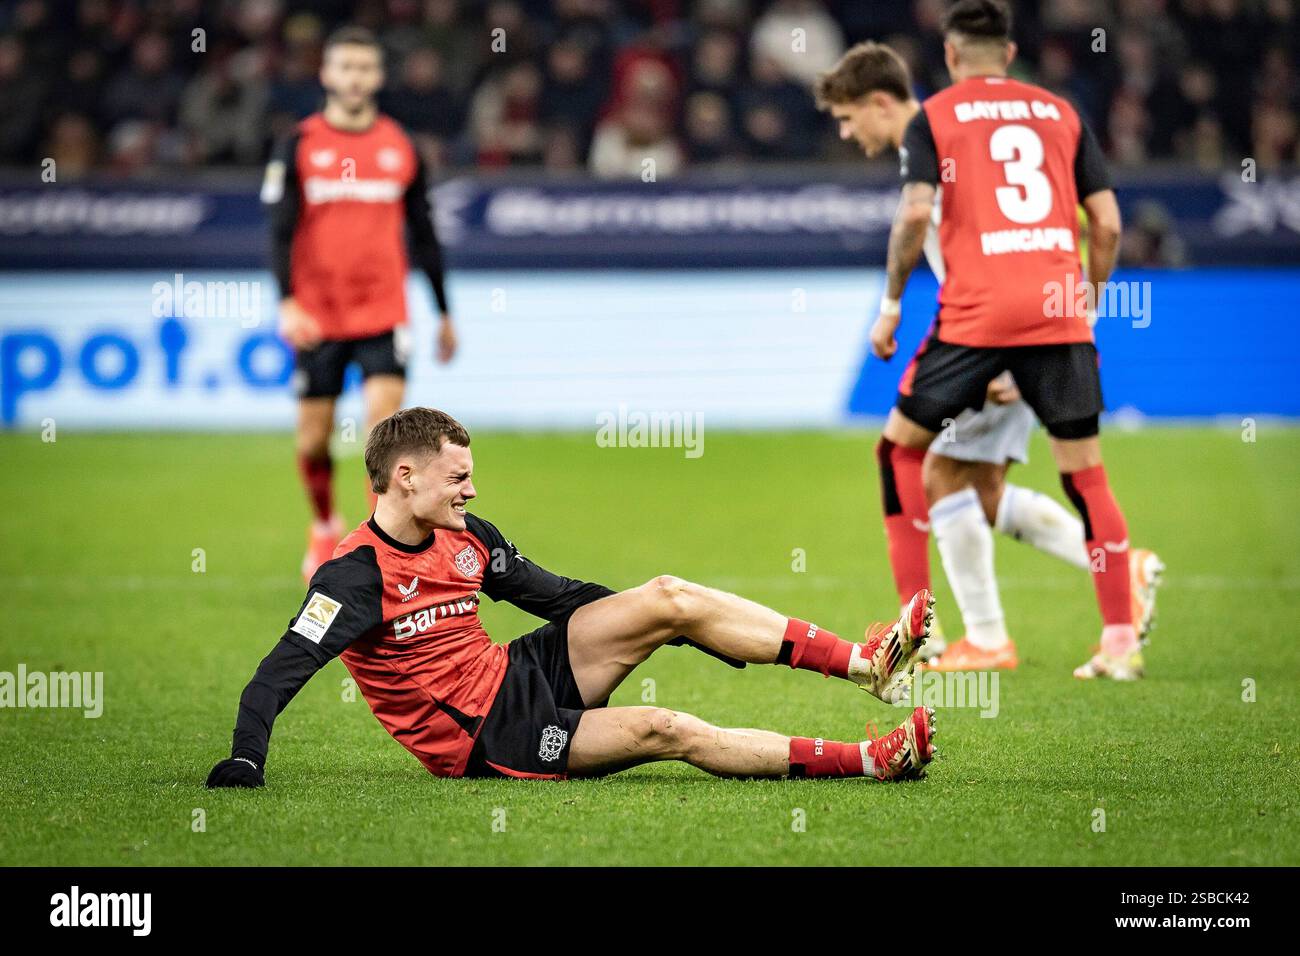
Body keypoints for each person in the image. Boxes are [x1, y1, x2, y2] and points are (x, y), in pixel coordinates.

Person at [206, 408, 938, 787]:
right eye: (458, 477)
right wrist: (246, 760)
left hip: (516, 671)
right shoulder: (353, 577)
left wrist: (668, 625)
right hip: (484, 739)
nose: (471, 489)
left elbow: (561, 597)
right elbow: (276, 674)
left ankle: (866, 664)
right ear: (405, 477)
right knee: (666, 727)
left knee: (668, 594)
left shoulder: (468, 536)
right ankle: (873, 760)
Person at [820, 2, 1161, 680]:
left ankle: (937, 633)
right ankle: (1119, 630)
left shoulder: (937, 127)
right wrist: (1083, 303)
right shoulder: (1060, 112)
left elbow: (924, 220)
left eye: (846, 118)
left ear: (948, 58)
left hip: (983, 326)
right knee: (1053, 480)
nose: (847, 132)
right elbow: (1110, 224)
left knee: (914, 463)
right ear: (1008, 54)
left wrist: (892, 309)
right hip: (1058, 312)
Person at [262, 26, 458, 582]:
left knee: (385, 434)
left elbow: (424, 234)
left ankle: (378, 555)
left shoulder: (401, 146)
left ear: (378, 76)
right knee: (313, 439)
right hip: (319, 318)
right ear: (326, 74)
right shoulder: (299, 143)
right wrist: (288, 303)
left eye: (364, 68)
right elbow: (279, 231)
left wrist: (444, 311)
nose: (354, 78)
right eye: (344, 67)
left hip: (383, 313)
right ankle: (324, 522)